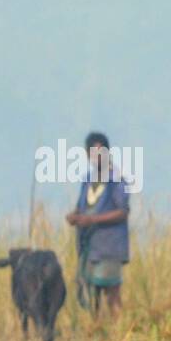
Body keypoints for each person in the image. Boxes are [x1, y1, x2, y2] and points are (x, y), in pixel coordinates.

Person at [66, 131, 131, 317]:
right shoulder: (88, 179)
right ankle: (97, 336)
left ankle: (121, 337)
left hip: (110, 245)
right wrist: (75, 216)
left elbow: (123, 212)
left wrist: (91, 220)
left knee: (112, 294)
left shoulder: (119, 179)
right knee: (90, 295)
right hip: (89, 246)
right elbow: (82, 206)